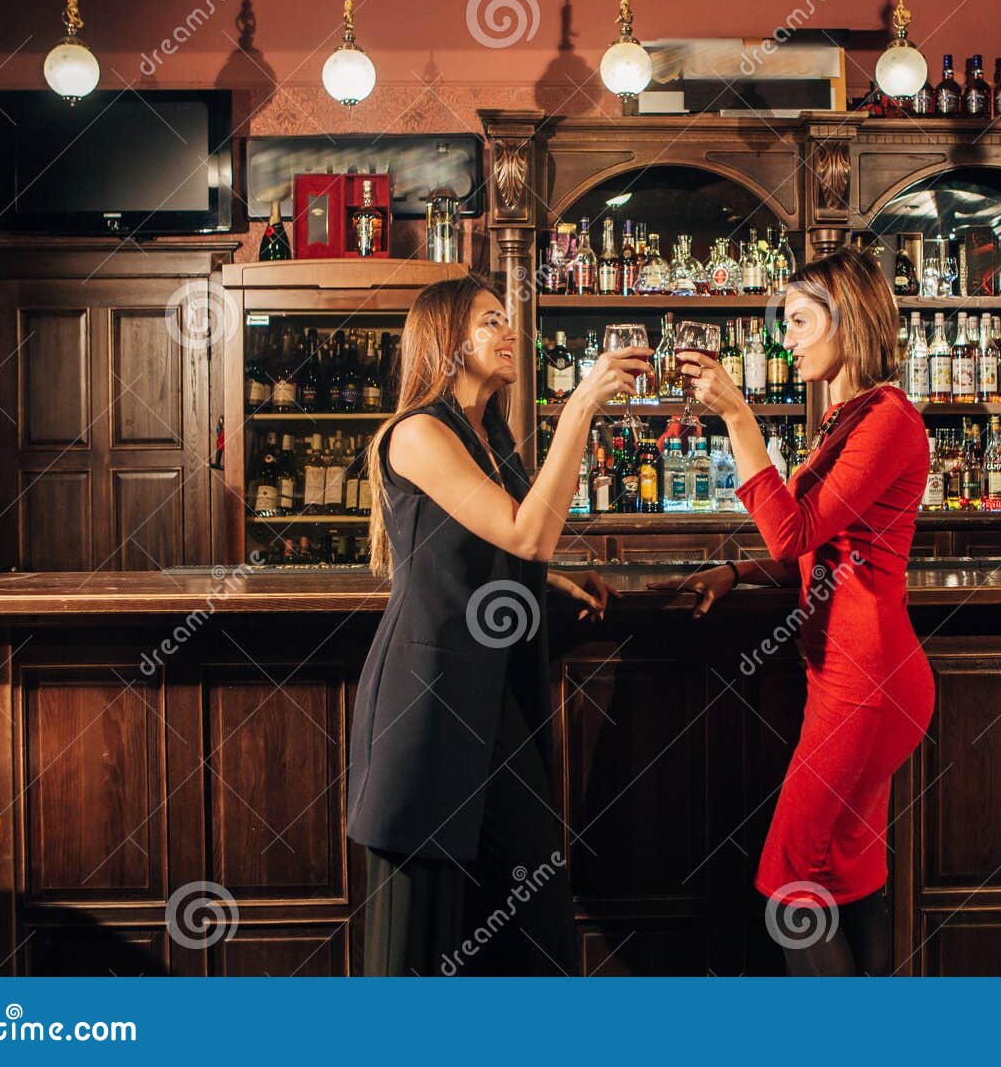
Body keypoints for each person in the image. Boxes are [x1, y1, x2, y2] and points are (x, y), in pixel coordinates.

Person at [348, 276, 651, 976]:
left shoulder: (493, 435)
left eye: (506, 320)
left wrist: (548, 584)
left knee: (532, 922)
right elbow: (526, 532)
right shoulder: (418, 432)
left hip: (494, 708)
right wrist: (581, 405)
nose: (509, 331)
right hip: (424, 709)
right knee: (413, 951)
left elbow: (493, 553)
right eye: (491, 321)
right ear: (448, 340)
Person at [652, 248, 933, 976]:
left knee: (788, 887)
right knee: (849, 878)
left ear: (851, 320)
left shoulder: (889, 420)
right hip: (845, 676)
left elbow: (793, 530)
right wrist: (736, 569)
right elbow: (808, 544)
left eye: (803, 322)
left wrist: (736, 413)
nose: (791, 339)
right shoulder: (849, 418)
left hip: (866, 681)